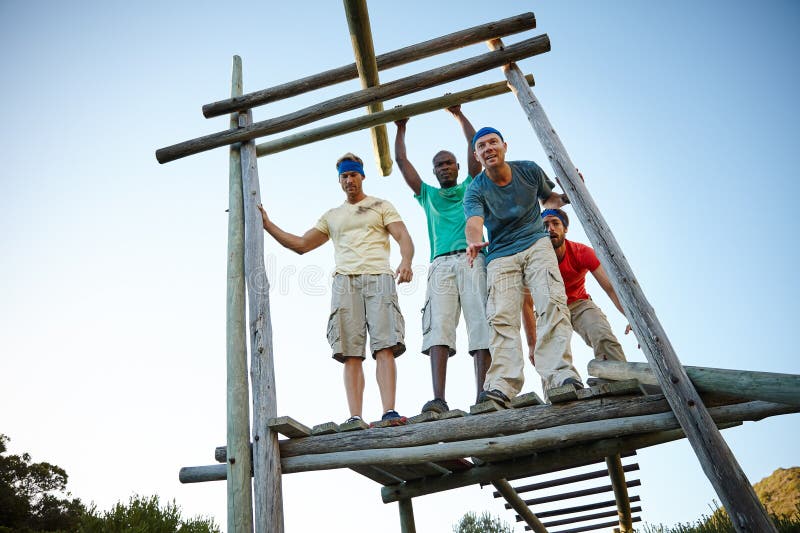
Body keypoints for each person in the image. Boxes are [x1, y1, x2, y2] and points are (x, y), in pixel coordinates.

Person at [257, 153, 414, 425]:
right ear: (339, 180)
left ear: (362, 176)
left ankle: (389, 410)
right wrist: (268, 225)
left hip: (379, 277)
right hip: (345, 281)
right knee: (350, 351)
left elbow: (403, 235)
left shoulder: (380, 205)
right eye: (344, 176)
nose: (349, 179)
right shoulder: (332, 216)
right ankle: (355, 416)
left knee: (385, 345)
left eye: (353, 174)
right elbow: (302, 245)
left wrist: (406, 260)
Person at [464, 127, 582, 407]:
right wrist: (473, 241)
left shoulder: (529, 170)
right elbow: (474, 222)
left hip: (535, 242)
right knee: (501, 316)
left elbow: (548, 201)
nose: (488, 148)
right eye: (482, 146)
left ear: (505, 146)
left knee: (551, 302)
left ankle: (561, 375)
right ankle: (502, 384)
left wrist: (566, 196)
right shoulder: (475, 189)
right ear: (476, 155)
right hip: (501, 254)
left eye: (493, 142)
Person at [393, 105, 492, 412]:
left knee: (481, 324)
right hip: (441, 264)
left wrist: (459, 115)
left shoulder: (470, 186)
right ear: (434, 171)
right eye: (440, 165)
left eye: (450, 163)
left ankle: (483, 394)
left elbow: (475, 143)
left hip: (473, 258)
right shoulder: (428, 195)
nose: (446, 167)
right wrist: (401, 126)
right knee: (439, 326)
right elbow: (401, 161)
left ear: (459, 167)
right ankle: (438, 398)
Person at [522, 208, 631, 365]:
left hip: (578, 302)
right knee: (547, 354)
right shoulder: (531, 260)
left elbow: (610, 288)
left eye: (555, 223)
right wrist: (532, 344)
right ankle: (558, 386)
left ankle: (618, 375)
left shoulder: (582, 252)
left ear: (565, 229)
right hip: (548, 307)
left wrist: (630, 318)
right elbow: (526, 303)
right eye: (545, 225)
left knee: (601, 334)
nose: (550, 228)